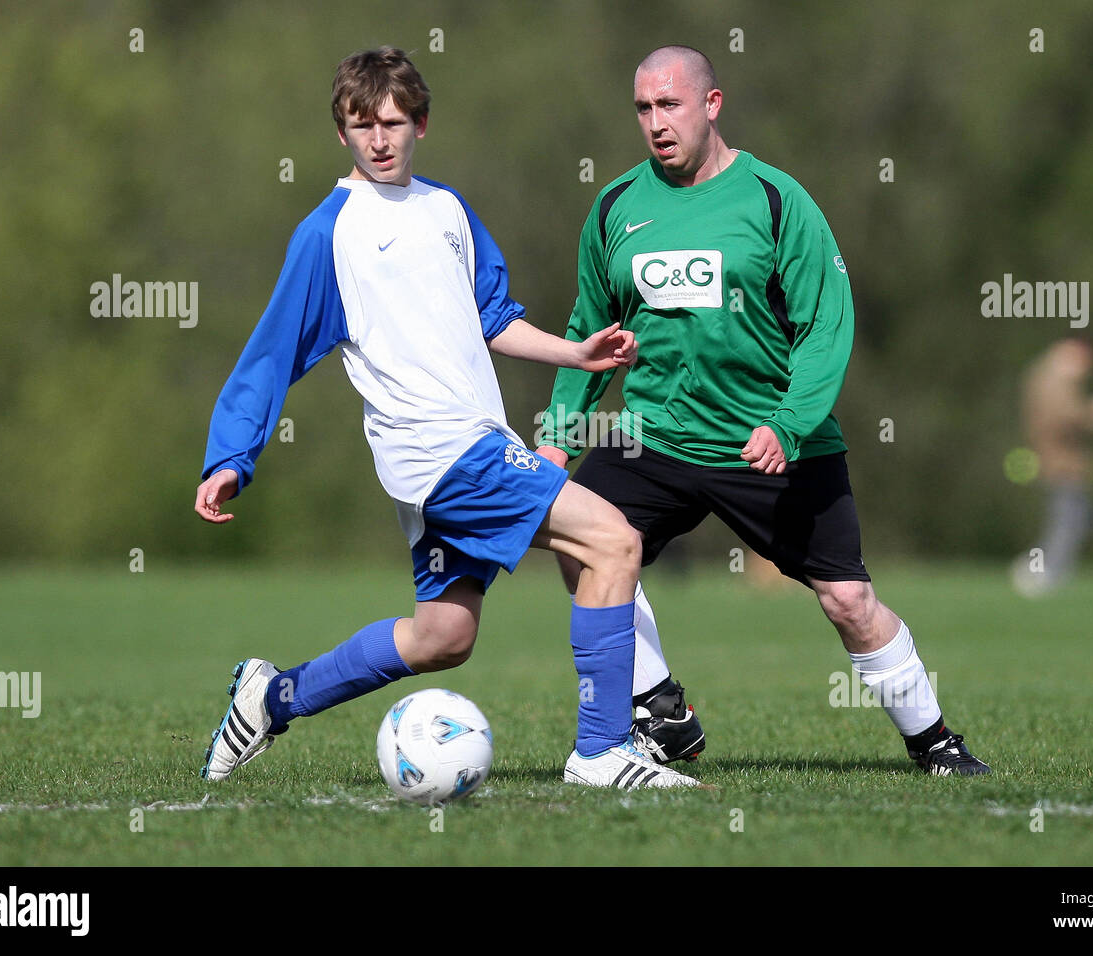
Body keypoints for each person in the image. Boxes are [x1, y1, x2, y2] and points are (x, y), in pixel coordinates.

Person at [194, 47, 698, 791]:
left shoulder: (448, 210)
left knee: (444, 636)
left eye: (393, 122)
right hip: (440, 455)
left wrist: (576, 353)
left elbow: (493, 316)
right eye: (361, 125)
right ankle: (602, 749)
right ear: (341, 133)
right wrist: (231, 455)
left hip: (464, 450)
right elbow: (271, 352)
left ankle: (269, 697)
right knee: (614, 541)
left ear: (421, 122)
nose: (379, 139)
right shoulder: (328, 234)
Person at [534, 45, 990, 775]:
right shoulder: (617, 206)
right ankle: (659, 709)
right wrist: (558, 436)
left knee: (849, 601)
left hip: (773, 442)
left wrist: (789, 421)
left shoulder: (777, 200)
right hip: (655, 435)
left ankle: (934, 741)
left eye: (670, 105)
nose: (655, 123)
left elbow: (826, 327)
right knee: (574, 537)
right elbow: (592, 330)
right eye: (643, 109)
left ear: (712, 105)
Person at [1012, 337, 1093, 596]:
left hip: (1059, 460)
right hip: (1062, 463)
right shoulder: (1054, 384)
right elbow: (1070, 419)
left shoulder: (1045, 379)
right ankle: (1042, 572)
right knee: (1068, 520)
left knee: (1076, 517)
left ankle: (1043, 569)